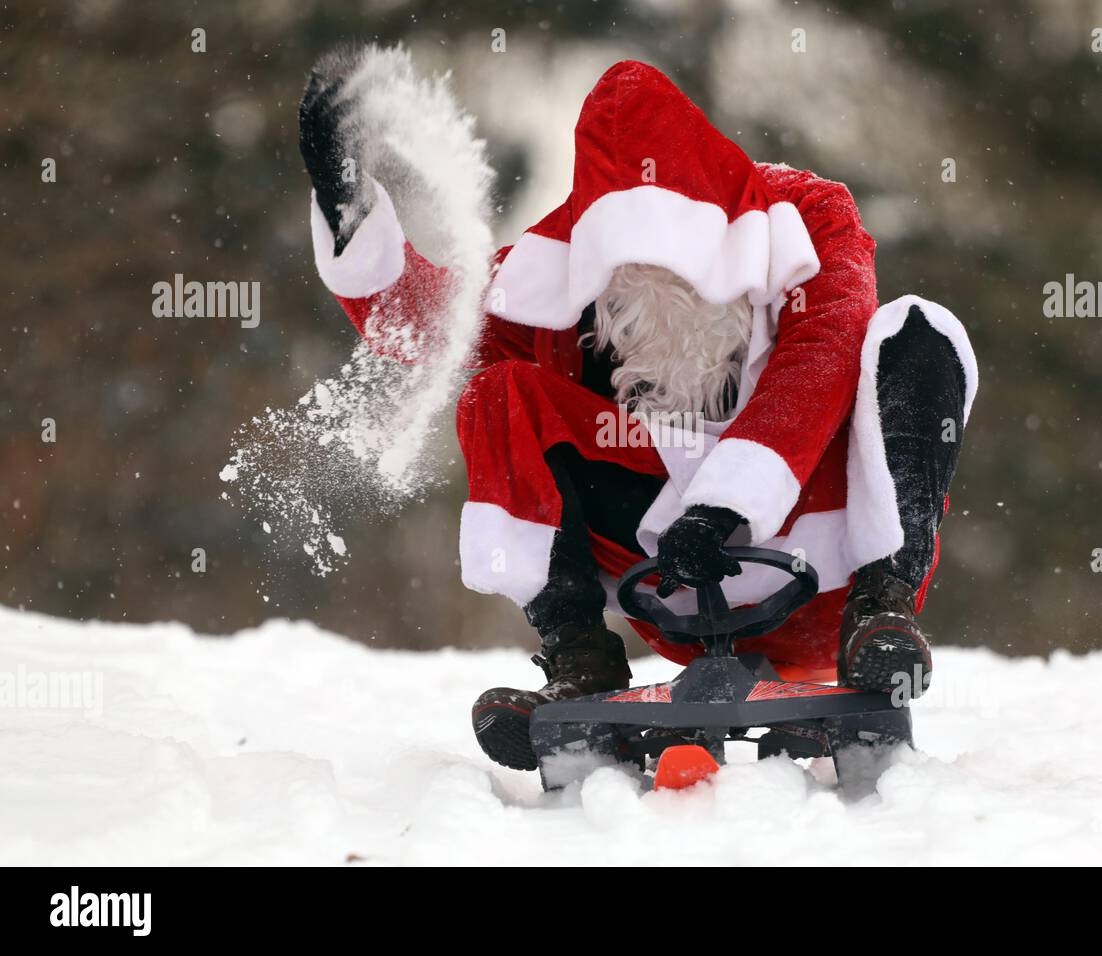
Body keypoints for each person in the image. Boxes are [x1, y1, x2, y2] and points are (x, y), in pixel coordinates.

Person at [299, 59, 977, 771]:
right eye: (623, 285)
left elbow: (825, 356)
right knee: (499, 394)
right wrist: (352, 219)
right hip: (670, 581)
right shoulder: (556, 264)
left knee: (917, 330)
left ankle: (885, 606)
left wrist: (722, 507)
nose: (645, 302)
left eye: (676, 271)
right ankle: (579, 657)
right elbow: (434, 326)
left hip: (827, 566)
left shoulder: (808, 220)